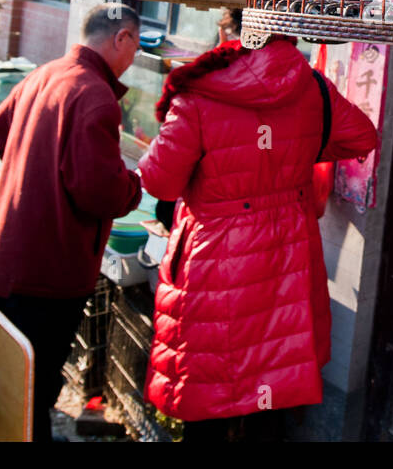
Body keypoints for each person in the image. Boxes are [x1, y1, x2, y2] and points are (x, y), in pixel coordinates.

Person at [137, 33, 377, 442]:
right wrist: (296, 153)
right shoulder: (311, 84)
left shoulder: (195, 96)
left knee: (207, 383)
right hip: (289, 252)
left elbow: (159, 181)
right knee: (272, 381)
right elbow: (362, 136)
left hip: (216, 257)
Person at [0, 3, 143, 442]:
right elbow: (98, 191)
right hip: (49, 269)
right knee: (36, 386)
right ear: (121, 38)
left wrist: (33, 170)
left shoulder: (46, 71)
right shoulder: (94, 94)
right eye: (136, 44)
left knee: (8, 381)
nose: (133, 57)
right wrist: (134, 185)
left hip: (6, 255)